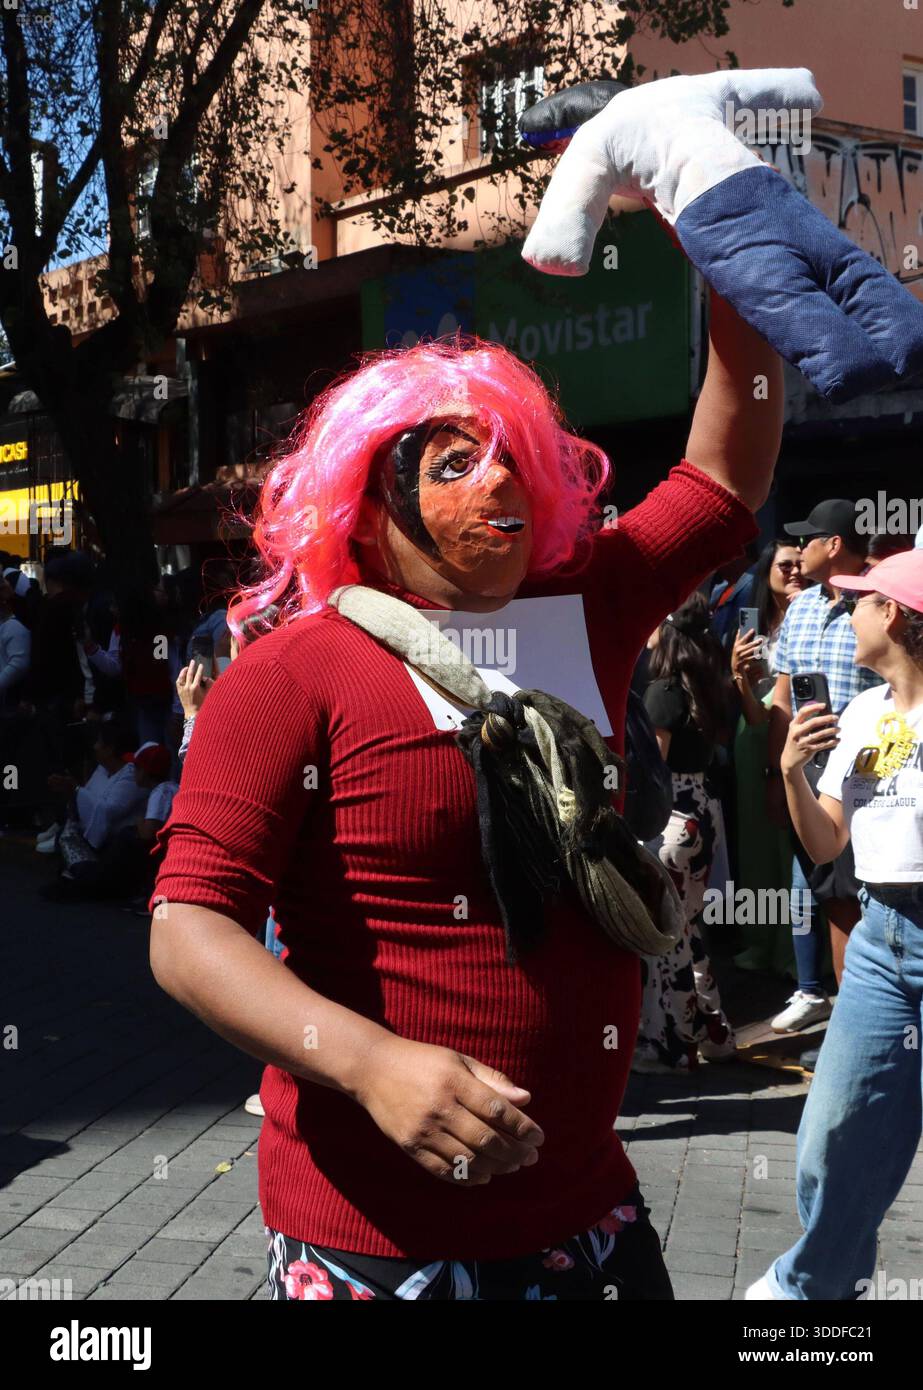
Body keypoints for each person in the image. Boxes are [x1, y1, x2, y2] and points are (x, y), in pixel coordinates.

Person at [151, 285, 783, 1302]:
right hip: (378, 1236)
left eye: (512, 459)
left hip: (586, 1218)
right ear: (363, 497)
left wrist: (717, 236)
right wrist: (366, 1063)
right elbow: (187, 929)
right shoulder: (289, 676)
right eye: (451, 463)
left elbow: (721, 477)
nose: (498, 480)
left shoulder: (587, 607)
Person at [747, 548, 923, 1300]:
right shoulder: (859, 712)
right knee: (832, 1138)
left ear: (894, 615)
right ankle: (816, 1289)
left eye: (857, 601)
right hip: (881, 940)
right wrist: (789, 769)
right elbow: (825, 843)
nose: (841, 612)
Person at [767, 500, 882, 1050]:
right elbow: (782, 699)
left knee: (854, 896)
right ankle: (820, 996)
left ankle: (858, 1019)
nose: (796, 552)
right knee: (812, 889)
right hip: (806, 774)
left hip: (872, 774)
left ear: (833, 546)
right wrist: (778, 772)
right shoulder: (800, 608)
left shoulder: (881, 603)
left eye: (807, 540)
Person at [634, 592, 738, 1073]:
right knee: (690, 930)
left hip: (671, 819)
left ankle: (673, 1045)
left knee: (667, 935)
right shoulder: (709, 684)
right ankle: (714, 1032)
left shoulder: (662, 692)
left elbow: (653, 766)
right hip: (704, 813)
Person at [731, 540, 806, 975]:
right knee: (756, 846)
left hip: (795, 737)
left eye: (800, 564)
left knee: (790, 846)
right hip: (752, 735)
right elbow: (749, 702)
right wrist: (739, 674)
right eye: (785, 565)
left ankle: (794, 954)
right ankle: (760, 941)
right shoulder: (753, 626)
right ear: (766, 573)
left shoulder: (814, 616)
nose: (794, 571)